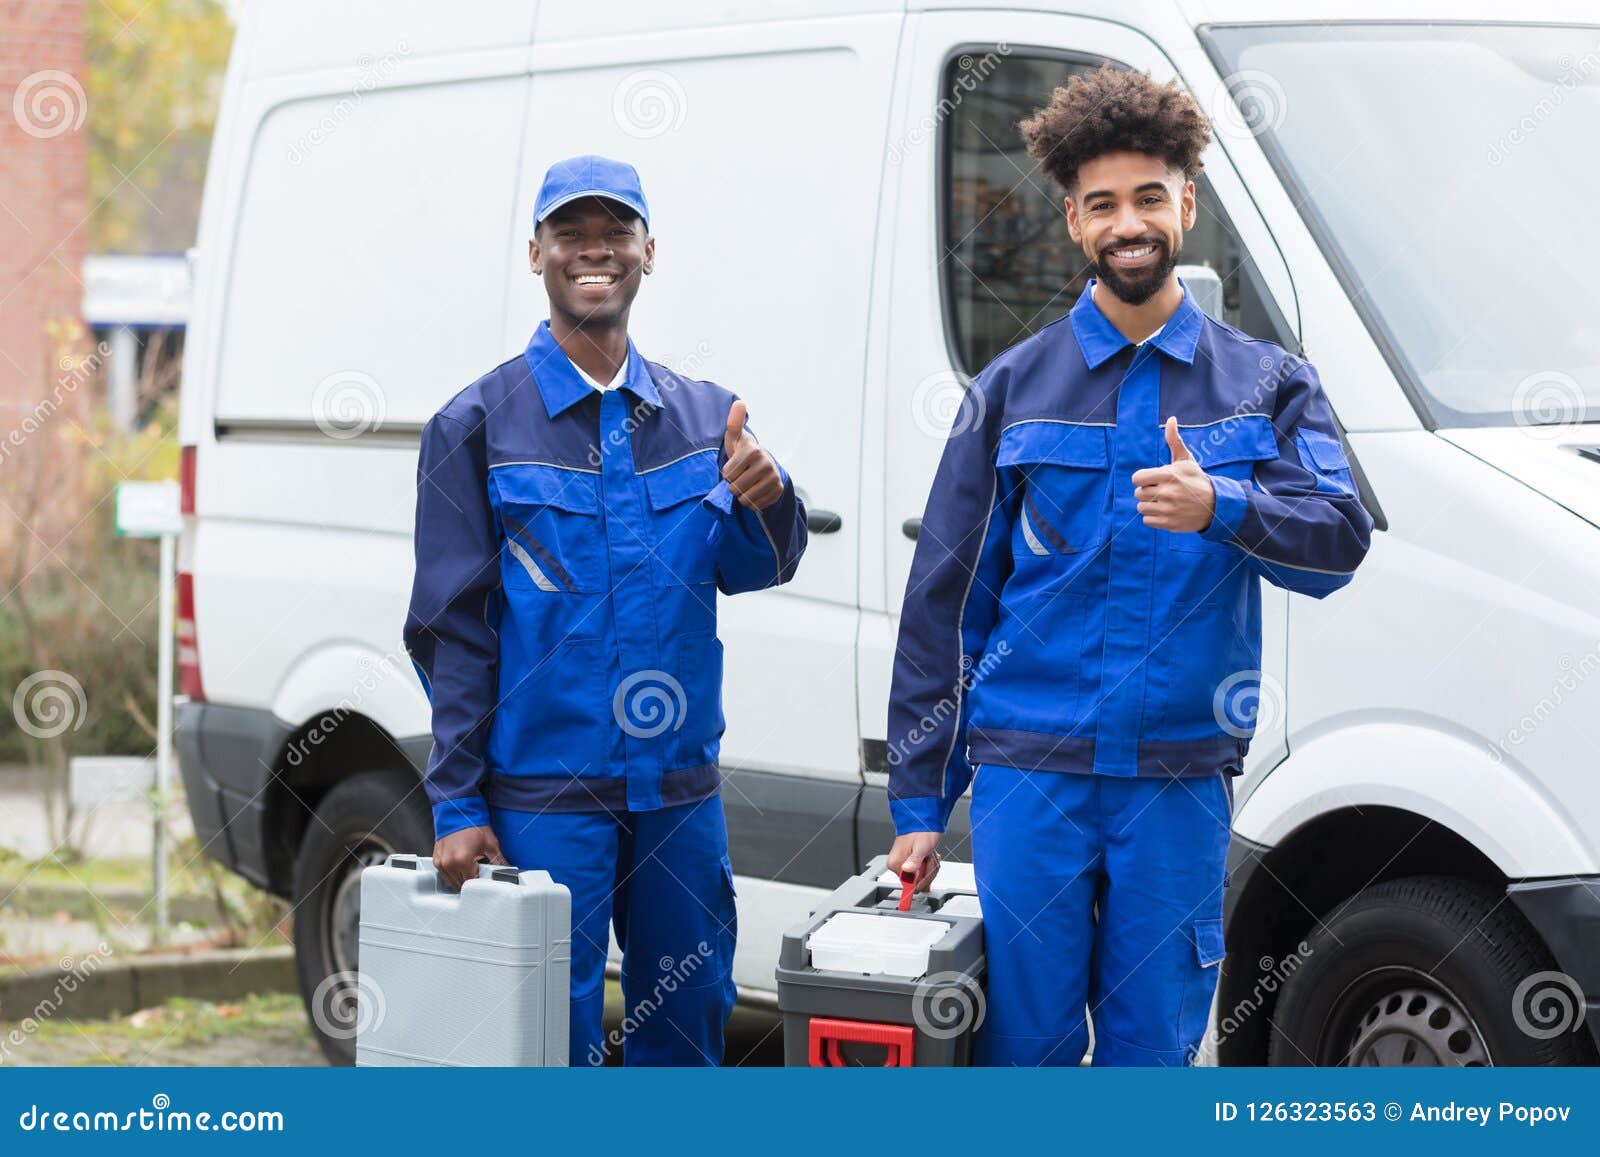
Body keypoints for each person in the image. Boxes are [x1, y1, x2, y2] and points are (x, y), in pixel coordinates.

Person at [883, 65, 1372, 1066]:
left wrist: (1224, 505)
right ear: (1072, 222)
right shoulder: (1009, 391)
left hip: (1176, 778)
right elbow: (946, 603)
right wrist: (916, 804)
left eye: (1149, 196)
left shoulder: (1269, 385)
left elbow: (1338, 543)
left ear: (1185, 203)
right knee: (1028, 1047)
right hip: (1031, 775)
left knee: (1154, 1050)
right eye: (1102, 204)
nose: (1128, 223)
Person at [403, 155, 807, 1066]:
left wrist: (768, 496)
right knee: (545, 1040)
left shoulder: (706, 418)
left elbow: (756, 567)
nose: (596, 251)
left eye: (615, 232)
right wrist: (457, 799)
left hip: (679, 798)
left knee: (690, 1025)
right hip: (545, 797)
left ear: (649, 252)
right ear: (536, 254)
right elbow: (453, 630)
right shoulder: (475, 423)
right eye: (572, 234)